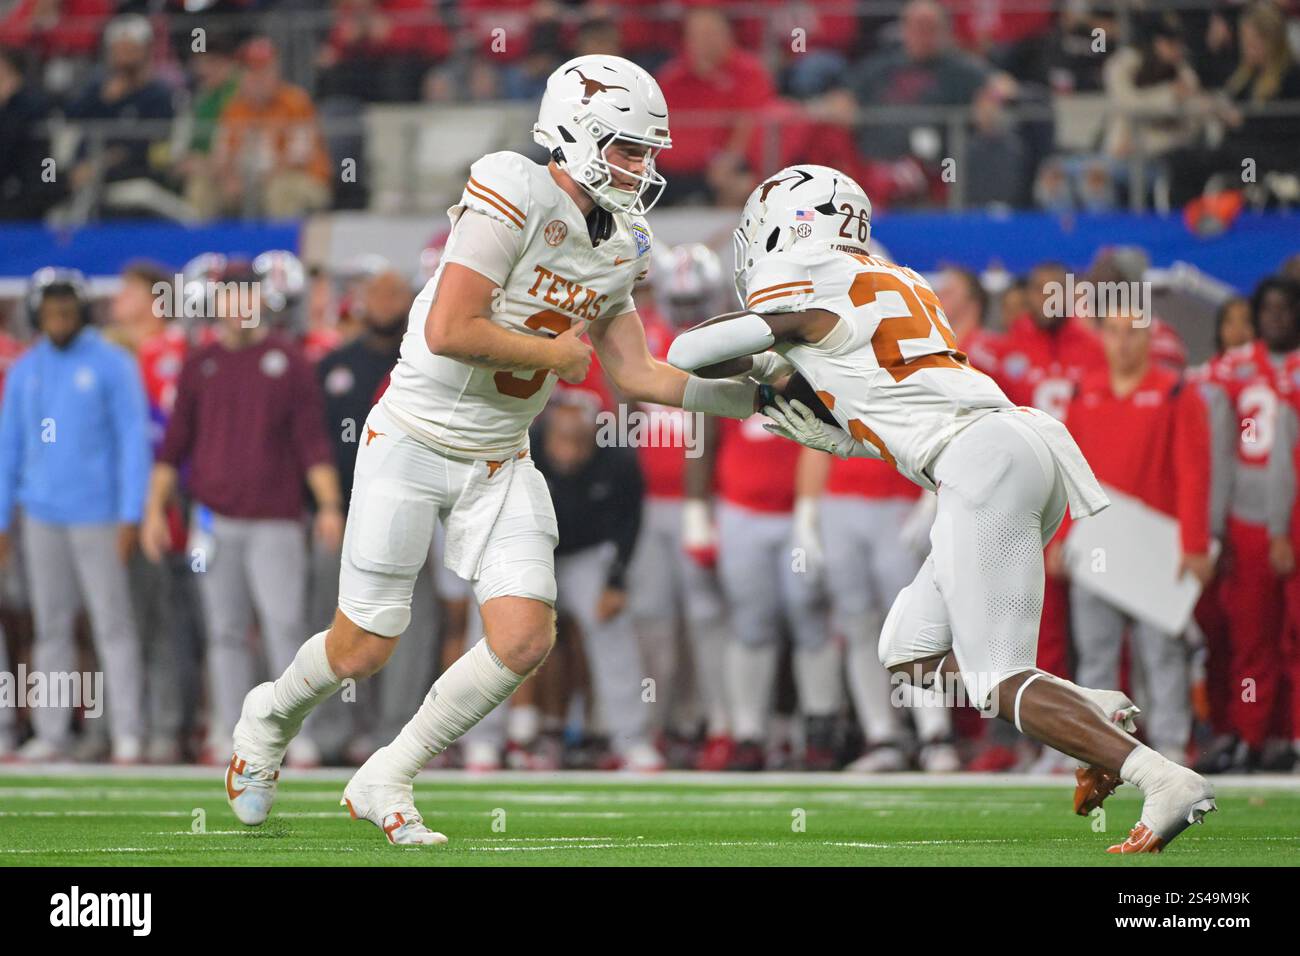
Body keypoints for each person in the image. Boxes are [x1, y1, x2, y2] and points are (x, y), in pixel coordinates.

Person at [224, 55, 771, 846]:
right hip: (413, 438)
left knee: (524, 637)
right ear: (576, 135)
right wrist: (553, 357)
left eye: (647, 152)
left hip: (500, 456)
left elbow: (640, 374)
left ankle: (390, 773)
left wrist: (756, 400)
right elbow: (450, 329)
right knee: (362, 649)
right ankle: (269, 717)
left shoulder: (624, 240)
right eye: (625, 148)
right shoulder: (514, 188)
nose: (642, 168)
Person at [668, 164, 1216, 853]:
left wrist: (756, 360)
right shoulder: (902, 279)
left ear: (789, 225)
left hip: (979, 460)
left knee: (994, 677)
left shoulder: (811, 278)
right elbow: (894, 398)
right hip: (1011, 444)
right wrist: (814, 403)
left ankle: (1160, 775)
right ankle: (1083, 712)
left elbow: (690, 351)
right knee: (906, 650)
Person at [140, 259, 344, 765]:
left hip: (275, 519)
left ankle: (296, 735)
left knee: (285, 626)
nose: (239, 305)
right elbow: (172, 447)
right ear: (218, 304)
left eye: (246, 294)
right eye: (230, 295)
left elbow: (312, 442)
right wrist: (152, 512)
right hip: (211, 519)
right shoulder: (199, 365)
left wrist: (328, 504)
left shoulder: (290, 362)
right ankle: (230, 735)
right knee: (224, 631)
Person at [0, 269, 150, 763]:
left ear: (83, 314)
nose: (59, 321)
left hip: (100, 515)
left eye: (67, 311)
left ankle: (128, 731)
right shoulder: (25, 370)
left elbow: (133, 440)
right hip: (41, 516)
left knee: (114, 624)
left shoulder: (111, 364)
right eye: (50, 312)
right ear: (36, 316)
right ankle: (52, 731)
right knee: (50, 627)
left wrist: (132, 513)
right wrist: (3, 520)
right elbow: (9, 449)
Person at [1061, 308, 1213, 762]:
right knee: (1095, 654)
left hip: (1155, 546)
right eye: (1113, 332)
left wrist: (1195, 543)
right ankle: (1096, 751)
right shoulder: (1083, 392)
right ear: (1101, 338)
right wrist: (1061, 537)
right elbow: (1068, 471)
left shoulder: (1174, 392)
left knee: (1161, 652)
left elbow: (1193, 473)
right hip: (1097, 543)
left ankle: (1170, 747)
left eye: (1133, 333)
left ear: (1150, 338)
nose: (1123, 343)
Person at [532, 389, 659, 769]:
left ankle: (631, 738)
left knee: (612, 630)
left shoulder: (618, 458)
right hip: (532, 550)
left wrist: (616, 582)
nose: (569, 453)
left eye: (578, 443)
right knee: (492, 627)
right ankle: (484, 738)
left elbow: (630, 520)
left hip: (590, 553)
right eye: (562, 441)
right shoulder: (524, 448)